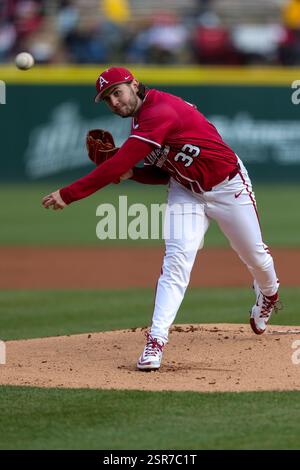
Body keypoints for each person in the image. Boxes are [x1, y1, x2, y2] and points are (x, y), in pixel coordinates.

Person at [42, 66, 281, 371]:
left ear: (135, 84)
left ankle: (270, 293)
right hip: (186, 191)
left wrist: (69, 193)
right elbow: (165, 171)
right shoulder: (140, 123)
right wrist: (133, 173)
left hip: (228, 185)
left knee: (254, 255)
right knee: (176, 262)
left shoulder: (160, 111)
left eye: (117, 92)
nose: (114, 102)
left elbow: (115, 166)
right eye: (107, 99)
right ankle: (155, 341)